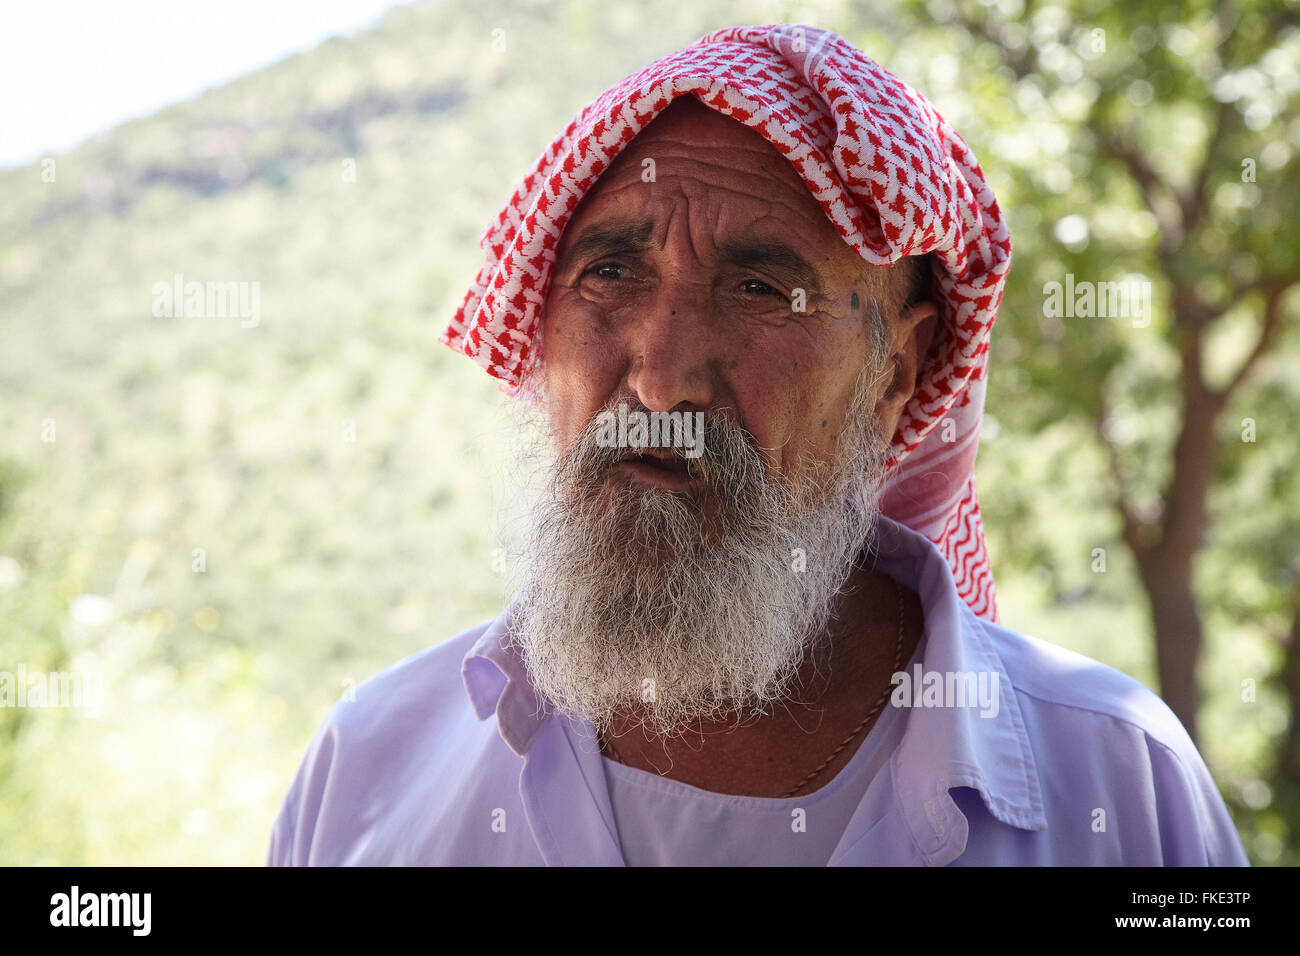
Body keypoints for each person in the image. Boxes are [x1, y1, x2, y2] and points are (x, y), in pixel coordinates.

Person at [269, 24, 1248, 866]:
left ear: (896, 374)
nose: (660, 379)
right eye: (609, 272)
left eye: (760, 292)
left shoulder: (1116, 779)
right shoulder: (369, 768)